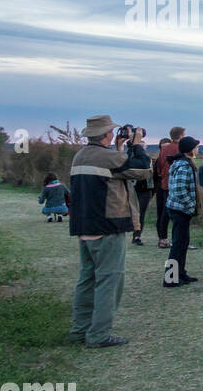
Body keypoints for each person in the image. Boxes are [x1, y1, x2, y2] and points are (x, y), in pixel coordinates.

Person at [68, 113, 150, 347]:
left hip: (84, 225)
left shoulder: (80, 156)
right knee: (109, 280)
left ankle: (80, 329)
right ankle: (99, 334)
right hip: (107, 225)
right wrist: (136, 144)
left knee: (87, 279)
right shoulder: (108, 158)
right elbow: (141, 169)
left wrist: (120, 147)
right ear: (107, 133)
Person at [164, 135, 200, 287]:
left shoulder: (181, 163)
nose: (198, 149)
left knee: (183, 242)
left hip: (178, 208)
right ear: (190, 150)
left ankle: (180, 273)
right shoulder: (184, 166)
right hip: (180, 209)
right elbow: (179, 189)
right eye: (196, 147)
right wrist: (190, 204)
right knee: (178, 244)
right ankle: (170, 278)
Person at [153, 130, 182, 247]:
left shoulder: (164, 150)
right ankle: (177, 239)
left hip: (164, 183)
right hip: (174, 184)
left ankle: (162, 238)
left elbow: (159, 167)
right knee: (177, 213)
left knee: (164, 212)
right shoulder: (179, 148)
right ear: (180, 136)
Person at [127, 127, 155, 245]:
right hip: (131, 189)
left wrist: (153, 191)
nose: (142, 149)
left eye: (143, 147)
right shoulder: (131, 158)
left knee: (141, 213)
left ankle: (137, 235)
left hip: (144, 190)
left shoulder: (147, 160)